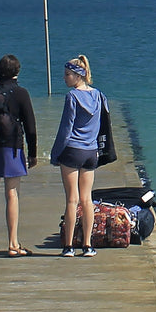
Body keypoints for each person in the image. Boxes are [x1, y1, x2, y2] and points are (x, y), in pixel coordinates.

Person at [0, 54, 38, 257]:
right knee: (12, 194)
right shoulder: (20, 93)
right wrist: (33, 153)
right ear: (17, 72)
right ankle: (13, 244)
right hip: (11, 148)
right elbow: (30, 126)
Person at [49, 53, 107, 258]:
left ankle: (69, 246)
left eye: (67, 74)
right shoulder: (99, 95)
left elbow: (66, 129)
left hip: (73, 150)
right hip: (91, 152)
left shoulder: (72, 97)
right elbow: (101, 125)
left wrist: (55, 155)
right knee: (87, 200)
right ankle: (88, 245)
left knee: (72, 200)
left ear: (78, 76)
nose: (64, 78)